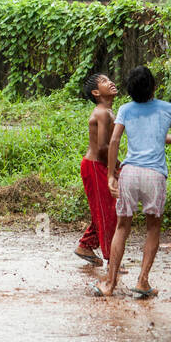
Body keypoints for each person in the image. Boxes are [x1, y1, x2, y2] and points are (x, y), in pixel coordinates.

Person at [98, 65, 171, 299]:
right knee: (152, 228)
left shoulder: (125, 109)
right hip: (154, 175)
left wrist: (110, 175)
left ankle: (109, 283)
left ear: (130, 91)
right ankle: (142, 281)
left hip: (129, 172)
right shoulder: (167, 109)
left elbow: (115, 140)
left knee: (122, 227)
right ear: (154, 87)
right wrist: (160, 138)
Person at [77, 71, 119, 264]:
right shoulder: (102, 112)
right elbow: (102, 147)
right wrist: (115, 166)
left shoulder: (108, 111)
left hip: (99, 164)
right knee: (107, 211)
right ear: (96, 92)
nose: (110, 82)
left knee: (103, 209)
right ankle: (112, 258)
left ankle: (86, 246)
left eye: (109, 79)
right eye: (104, 81)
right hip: (96, 165)